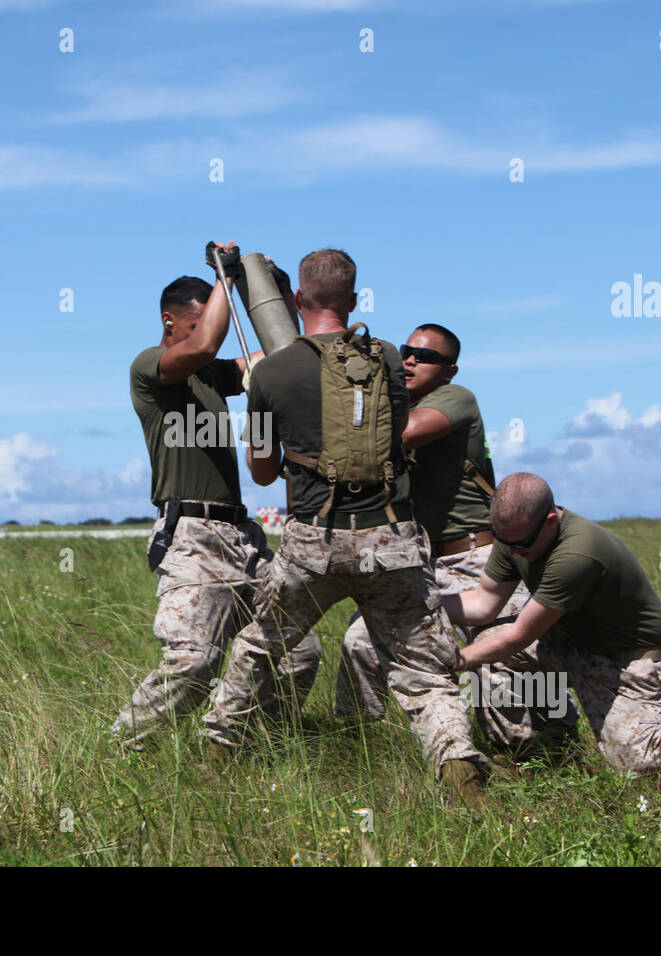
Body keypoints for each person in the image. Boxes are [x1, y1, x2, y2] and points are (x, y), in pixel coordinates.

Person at [200, 248, 492, 808]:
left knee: (259, 646)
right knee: (424, 669)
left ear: (300, 300)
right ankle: (458, 765)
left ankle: (216, 758)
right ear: (355, 302)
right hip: (393, 541)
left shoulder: (272, 373)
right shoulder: (386, 358)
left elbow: (261, 473)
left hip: (313, 543)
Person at [334, 324, 580, 762]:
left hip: (480, 557)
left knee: (513, 658)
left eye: (425, 357)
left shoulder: (455, 398)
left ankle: (549, 746)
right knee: (360, 641)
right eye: (406, 352)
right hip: (422, 563)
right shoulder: (386, 409)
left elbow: (404, 434)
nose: (410, 360)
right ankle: (357, 747)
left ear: (449, 370)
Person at [111, 251, 321, 752]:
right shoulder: (152, 368)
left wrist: (268, 284)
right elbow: (206, 344)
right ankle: (123, 750)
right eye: (201, 316)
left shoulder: (213, 377)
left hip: (240, 535)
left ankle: (241, 744)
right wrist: (224, 278)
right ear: (170, 321)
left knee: (297, 649)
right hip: (191, 534)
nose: (213, 326)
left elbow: (282, 354)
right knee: (194, 660)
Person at [441, 472, 661, 778]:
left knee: (643, 770)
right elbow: (484, 604)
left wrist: (457, 660)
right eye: (503, 541)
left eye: (522, 544)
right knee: (490, 645)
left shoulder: (577, 554)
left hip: (627, 661)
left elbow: (520, 635)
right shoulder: (516, 535)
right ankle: (524, 756)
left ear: (551, 521)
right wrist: (418, 608)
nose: (513, 551)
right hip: (570, 643)